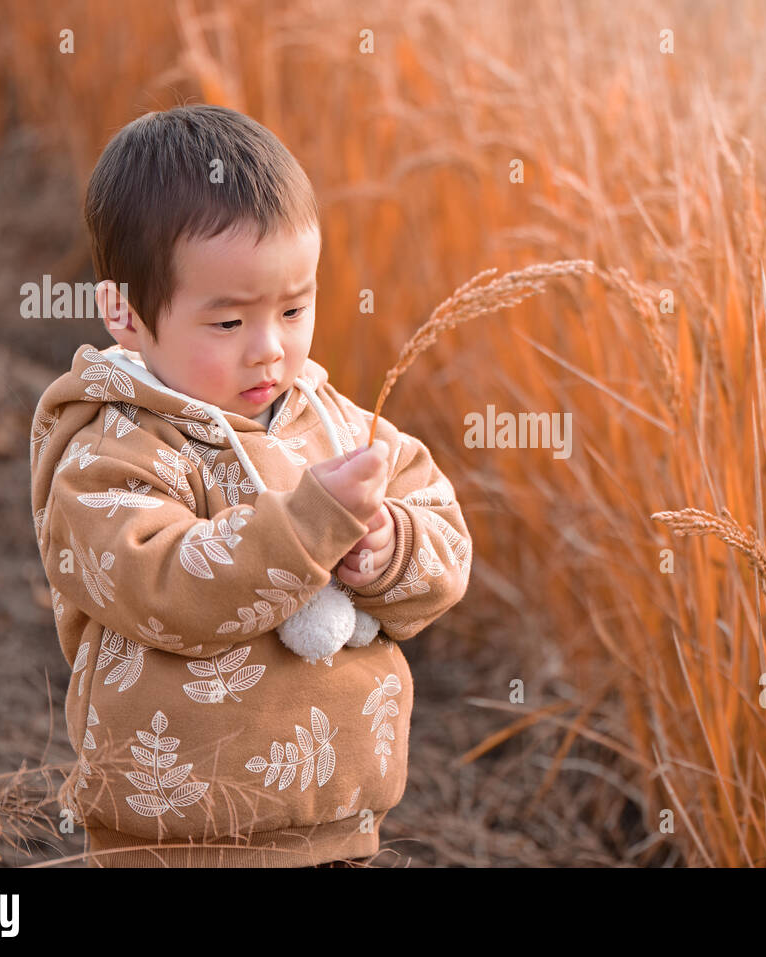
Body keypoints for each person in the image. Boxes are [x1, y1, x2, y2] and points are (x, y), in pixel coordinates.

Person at [28, 104, 471, 867]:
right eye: (228, 324)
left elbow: (445, 538)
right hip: (171, 840)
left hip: (341, 829)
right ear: (124, 313)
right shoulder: (110, 451)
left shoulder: (338, 425)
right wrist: (303, 530)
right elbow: (162, 585)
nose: (270, 351)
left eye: (295, 308)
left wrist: (391, 548)